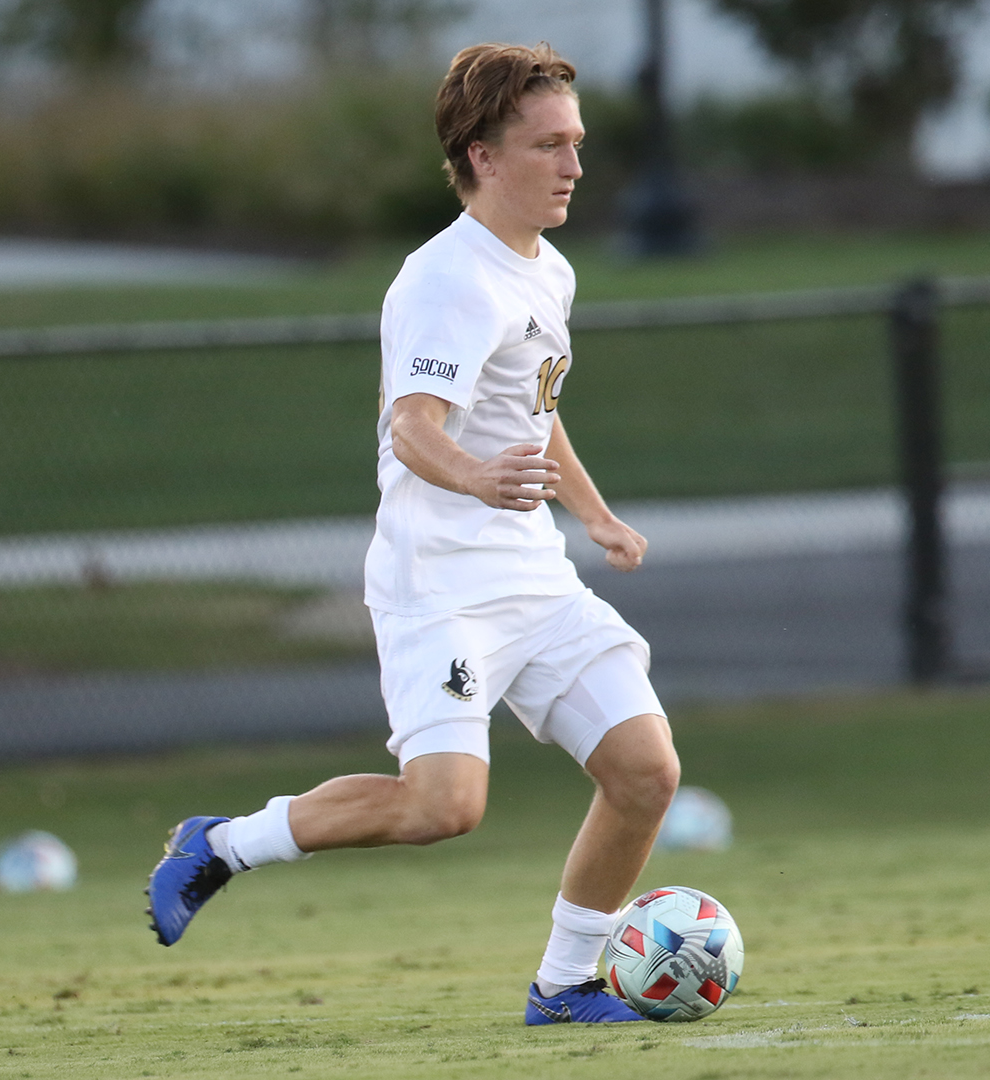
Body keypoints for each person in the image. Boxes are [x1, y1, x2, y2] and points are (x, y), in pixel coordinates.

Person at [146, 43, 680, 1025]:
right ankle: (220, 845)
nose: (573, 166)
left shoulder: (547, 271)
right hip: (437, 579)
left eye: (578, 145)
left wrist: (592, 513)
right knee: (443, 808)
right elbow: (415, 427)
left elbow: (532, 408)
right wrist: (480, 478)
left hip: (532, 574)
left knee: (646, 773)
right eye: (548, 145)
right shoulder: (445, 280)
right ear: (480, 155)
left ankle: (565, 985)